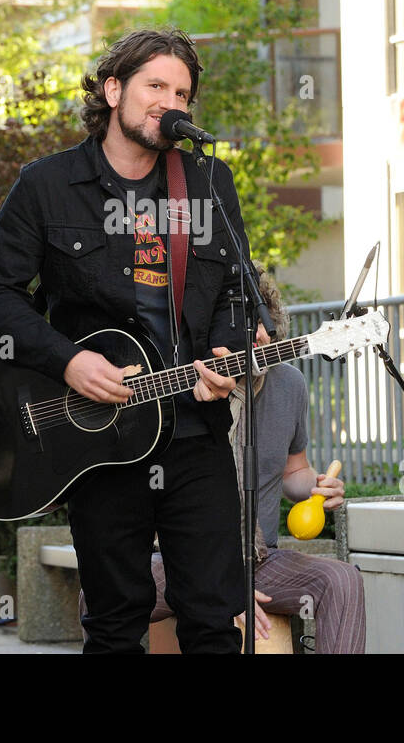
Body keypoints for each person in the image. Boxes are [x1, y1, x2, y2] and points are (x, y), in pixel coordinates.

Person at [0, 26, 251, 653]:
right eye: (156, 85)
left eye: (182, 92)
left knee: (212, 617)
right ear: (113, 87)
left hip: (193, 433)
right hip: (98, 437)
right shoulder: (46, 186)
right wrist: (67, 361)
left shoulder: (207, 185)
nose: (170, 103)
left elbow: (236, 291)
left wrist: (227, 353)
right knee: (116, 621)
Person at [150, 267, 367, 654]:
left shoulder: (289, 384)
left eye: (265, 324)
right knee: (99, 594)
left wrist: (316, 487)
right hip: (179, 561)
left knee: (342, 580)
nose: (261, 338)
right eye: (247, 327)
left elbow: (292, 470)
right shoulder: (181, 387)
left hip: (261, 559)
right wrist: (227, 588)